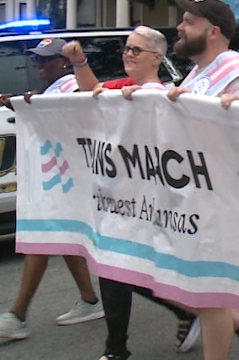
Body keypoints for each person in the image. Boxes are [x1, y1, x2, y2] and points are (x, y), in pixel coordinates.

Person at [62, 28, 203, 359]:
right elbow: (91, 91)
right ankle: (118, 348)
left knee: (134, 270)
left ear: (156, 57)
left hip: (153, 204)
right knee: (115, 268)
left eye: (136, 50)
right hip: (120, 202)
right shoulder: (120, 90)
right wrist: (79, 61)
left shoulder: (167, 97)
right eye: (126, 49)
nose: (127, 54)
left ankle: (220, 320)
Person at [151, 0, 239, 359]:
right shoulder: (198, 73)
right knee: (180, 289)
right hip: (196, 204)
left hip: (226, 206)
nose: (180, 28)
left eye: (188, 21)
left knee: (209, 294)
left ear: (213, 31)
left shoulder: (237, 73)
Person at [0, 39, 105, 342]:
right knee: (59, 233)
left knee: (41, 236)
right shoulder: (51, 91)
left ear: (63, 61)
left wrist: (32, 106)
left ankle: (17, 315)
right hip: (57, 175)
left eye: (46, 60)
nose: (38, 65)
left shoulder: (72, 86)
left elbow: (78, 114)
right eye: (36, 60)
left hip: (69, 176)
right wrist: (20, 103)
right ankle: (89, 300)